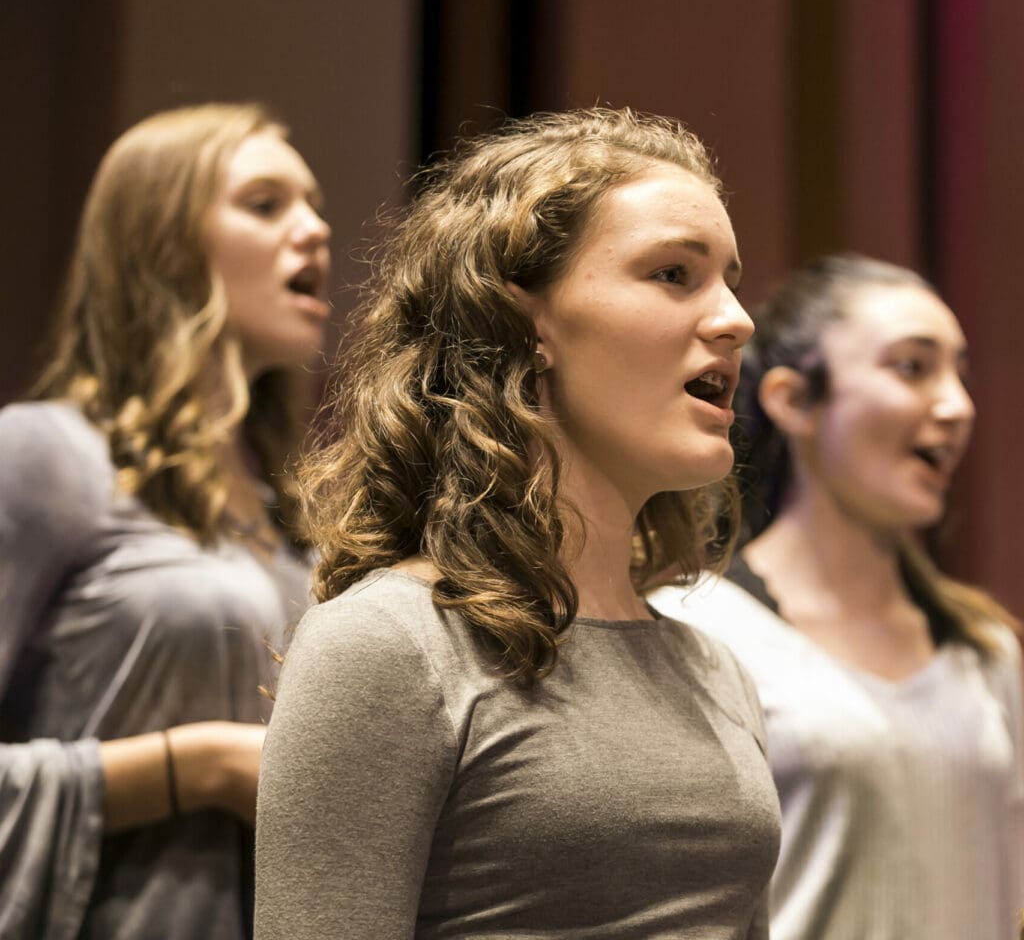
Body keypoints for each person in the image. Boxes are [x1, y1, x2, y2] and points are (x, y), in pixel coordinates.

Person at [255, 107, 781, 939]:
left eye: (730, 280)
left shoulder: (714, 669)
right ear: (526, 321)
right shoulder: (389, 645)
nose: (737, 319)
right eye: (674, 274)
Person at [0, 102, 332, 939]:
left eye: (312, 204)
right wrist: (204, 767)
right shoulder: (44, 456)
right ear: (165, 246)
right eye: (266, 204)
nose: (314, 229)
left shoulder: (295, 513)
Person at [648, 254, 1024, 939]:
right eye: (912, 367)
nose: (957, 407)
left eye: (960, 376)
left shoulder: (984, 649)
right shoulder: (694, 629)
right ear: (794, 400)